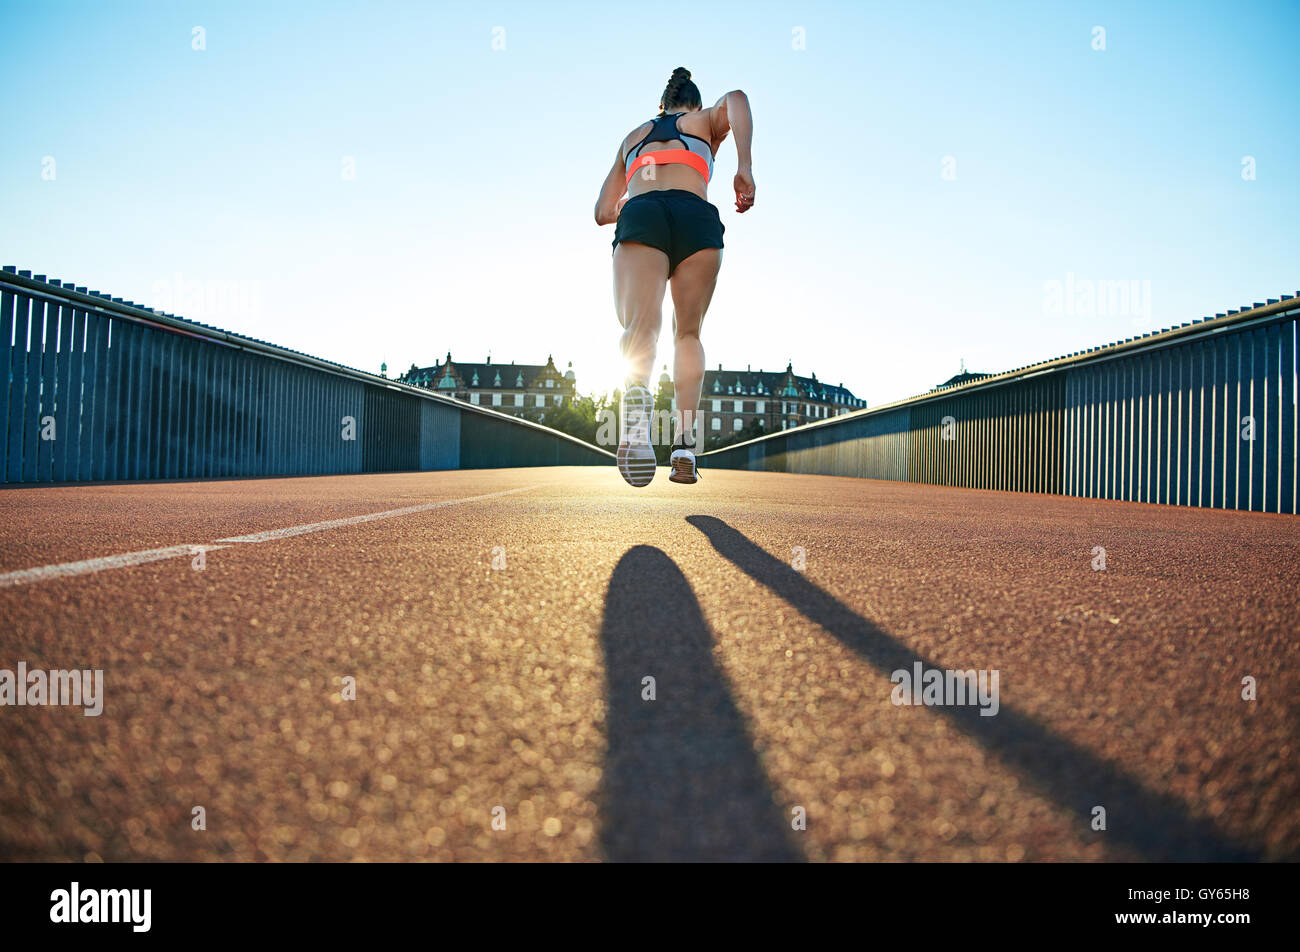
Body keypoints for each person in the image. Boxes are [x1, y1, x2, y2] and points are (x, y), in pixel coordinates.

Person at [594, 67, 754, 486]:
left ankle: (636, 415)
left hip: (643, 214)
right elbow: (737, 97)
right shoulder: (702, 124)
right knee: (688, 335)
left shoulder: (633, 136)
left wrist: (635, 194)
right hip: (695, 217)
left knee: (641, 327)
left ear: (661, 106)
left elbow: (601, 212)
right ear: (695, 105)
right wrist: (744, 167)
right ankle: (683, 444)